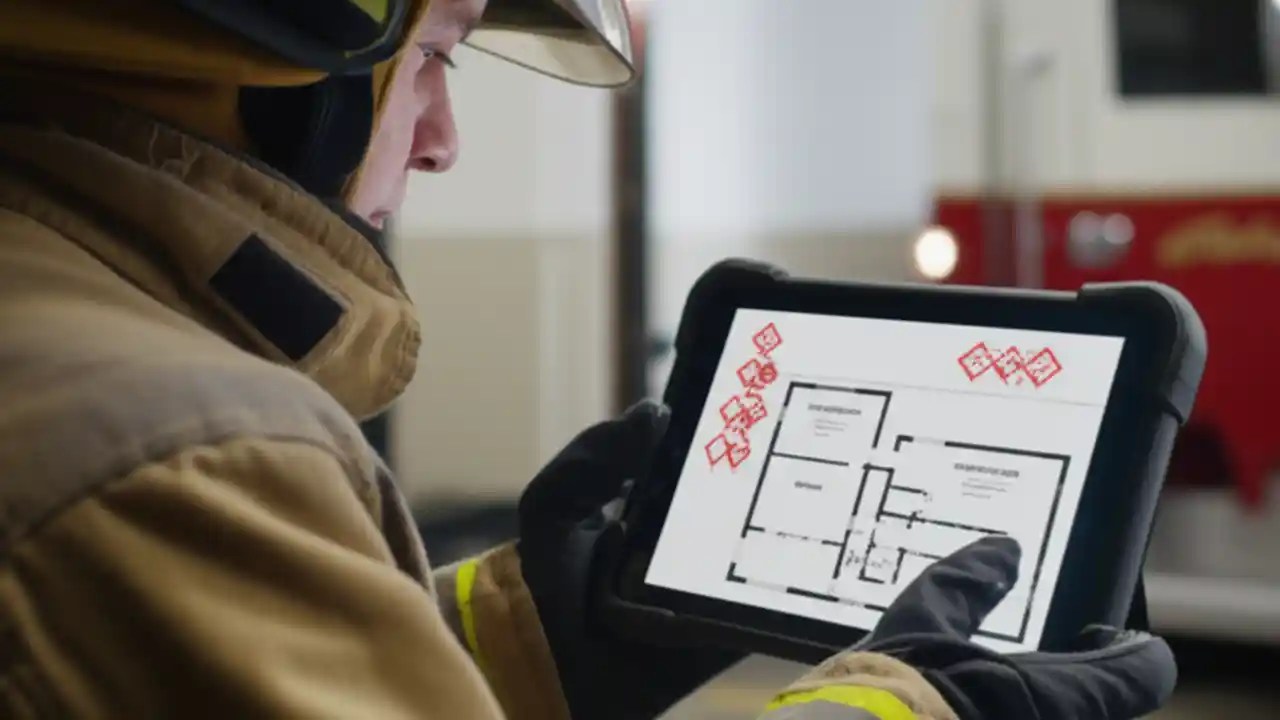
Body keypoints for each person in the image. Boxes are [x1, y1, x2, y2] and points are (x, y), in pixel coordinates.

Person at [0, 1, 1176, 718]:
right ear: (275, 49)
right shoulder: (178, 453)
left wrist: (530, 641)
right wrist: (897, 710)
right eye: (436, 58)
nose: (445, 139)